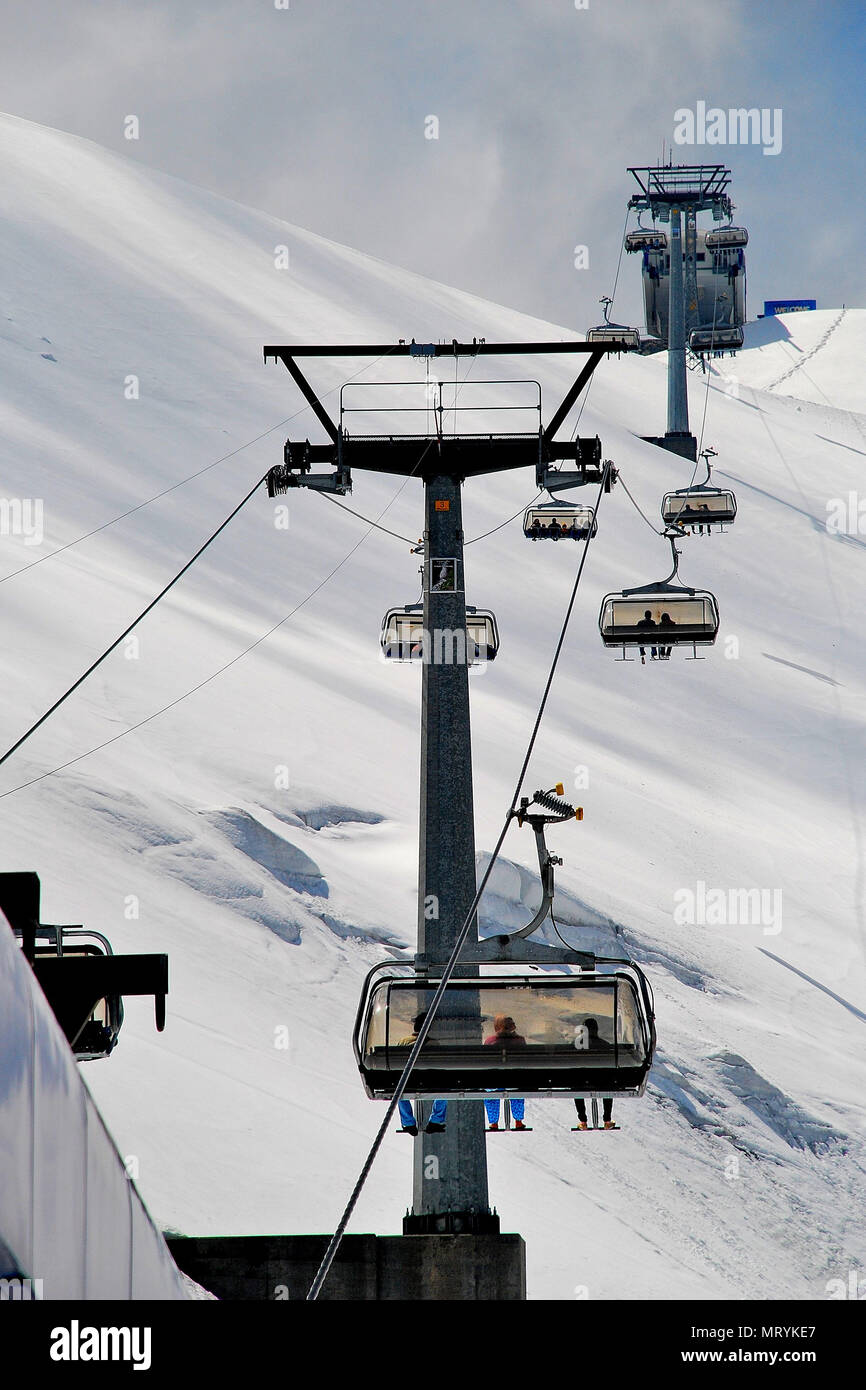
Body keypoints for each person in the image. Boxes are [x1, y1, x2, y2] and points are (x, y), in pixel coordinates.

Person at [396, 1012, 447, 1134]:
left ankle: (408, 1122)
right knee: (445, 1089)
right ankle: (436, 1120)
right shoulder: (434, 1044)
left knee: (399, 1092)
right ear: (428, 1028)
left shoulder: (403, 1042)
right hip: (431, 1082)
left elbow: (397, 1064)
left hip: (408, 1083)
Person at [484, 1014, 527, 1130]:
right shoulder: (520, 1040)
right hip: (515, 1081)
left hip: (494, 1081)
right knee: (517, 1092)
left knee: (490, 1095)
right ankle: (518, 1121)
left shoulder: (490, 1041)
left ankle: (493, 1122)